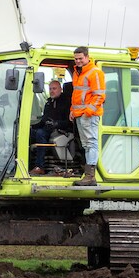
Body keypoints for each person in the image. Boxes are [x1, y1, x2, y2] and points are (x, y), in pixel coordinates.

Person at [70, 46, 106, 186]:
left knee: (91, 144)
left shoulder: (95, 72)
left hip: (88, 115)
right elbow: (76, 95)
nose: (78, 61)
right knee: (86, 144)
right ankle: (89, 175)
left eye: (80, 58)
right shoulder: (78, 72)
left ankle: (90, 176)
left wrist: (88, 112)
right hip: (80, 114)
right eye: (76, 59)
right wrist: (72, 111)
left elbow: (99, 95)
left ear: (87, 57)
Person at [29, 79, 69, 175]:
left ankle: (40, 166)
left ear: (60, 89)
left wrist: (56, 123)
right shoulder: (48, 103)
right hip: (47, 128)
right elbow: (43, 121)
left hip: (60, 129)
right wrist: (30, 126)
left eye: (54, 88)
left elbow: (70, 122)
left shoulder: (66, 103)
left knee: (40, 133)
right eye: (50, 89)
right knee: (28, 133)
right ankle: (29, 164)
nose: (52, 91)